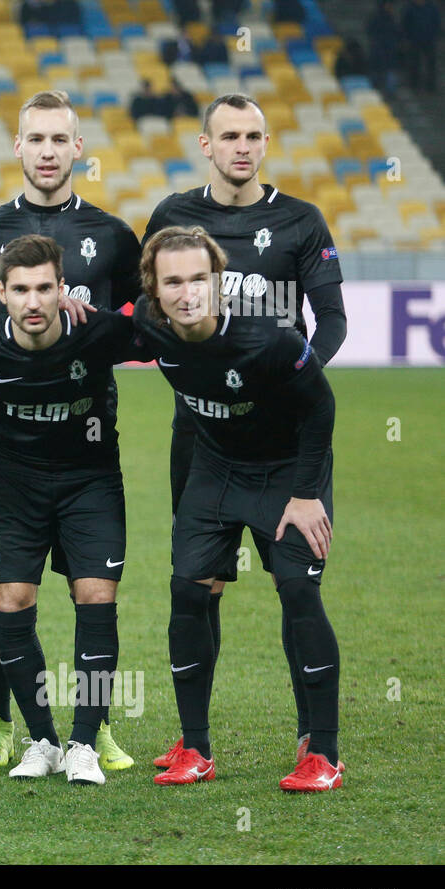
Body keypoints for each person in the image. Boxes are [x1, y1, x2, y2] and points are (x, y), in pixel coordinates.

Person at [0, 90, 141, 773]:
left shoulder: (112, 232)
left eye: (58, 139)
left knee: (93, 590)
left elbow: (143, 308)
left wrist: (95, 317)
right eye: (34, 139)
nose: (46, 150)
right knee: (1, 590)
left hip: (90, 438)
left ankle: (92, 733)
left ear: (77, 149)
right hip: (13, 448)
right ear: (18, 147)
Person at [143, 93, 345, 769]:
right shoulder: (173, 216)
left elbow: (333, 322)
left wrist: (282, 381)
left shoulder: (300, 220)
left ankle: (318, 742)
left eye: (254, 134)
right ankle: (193, 742)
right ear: (205, 144)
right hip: (200, 440)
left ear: (266, 141)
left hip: (283, 439)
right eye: (229, 134)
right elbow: (143, 306)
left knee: (296, 586)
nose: (242, 146)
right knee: (196, 584)